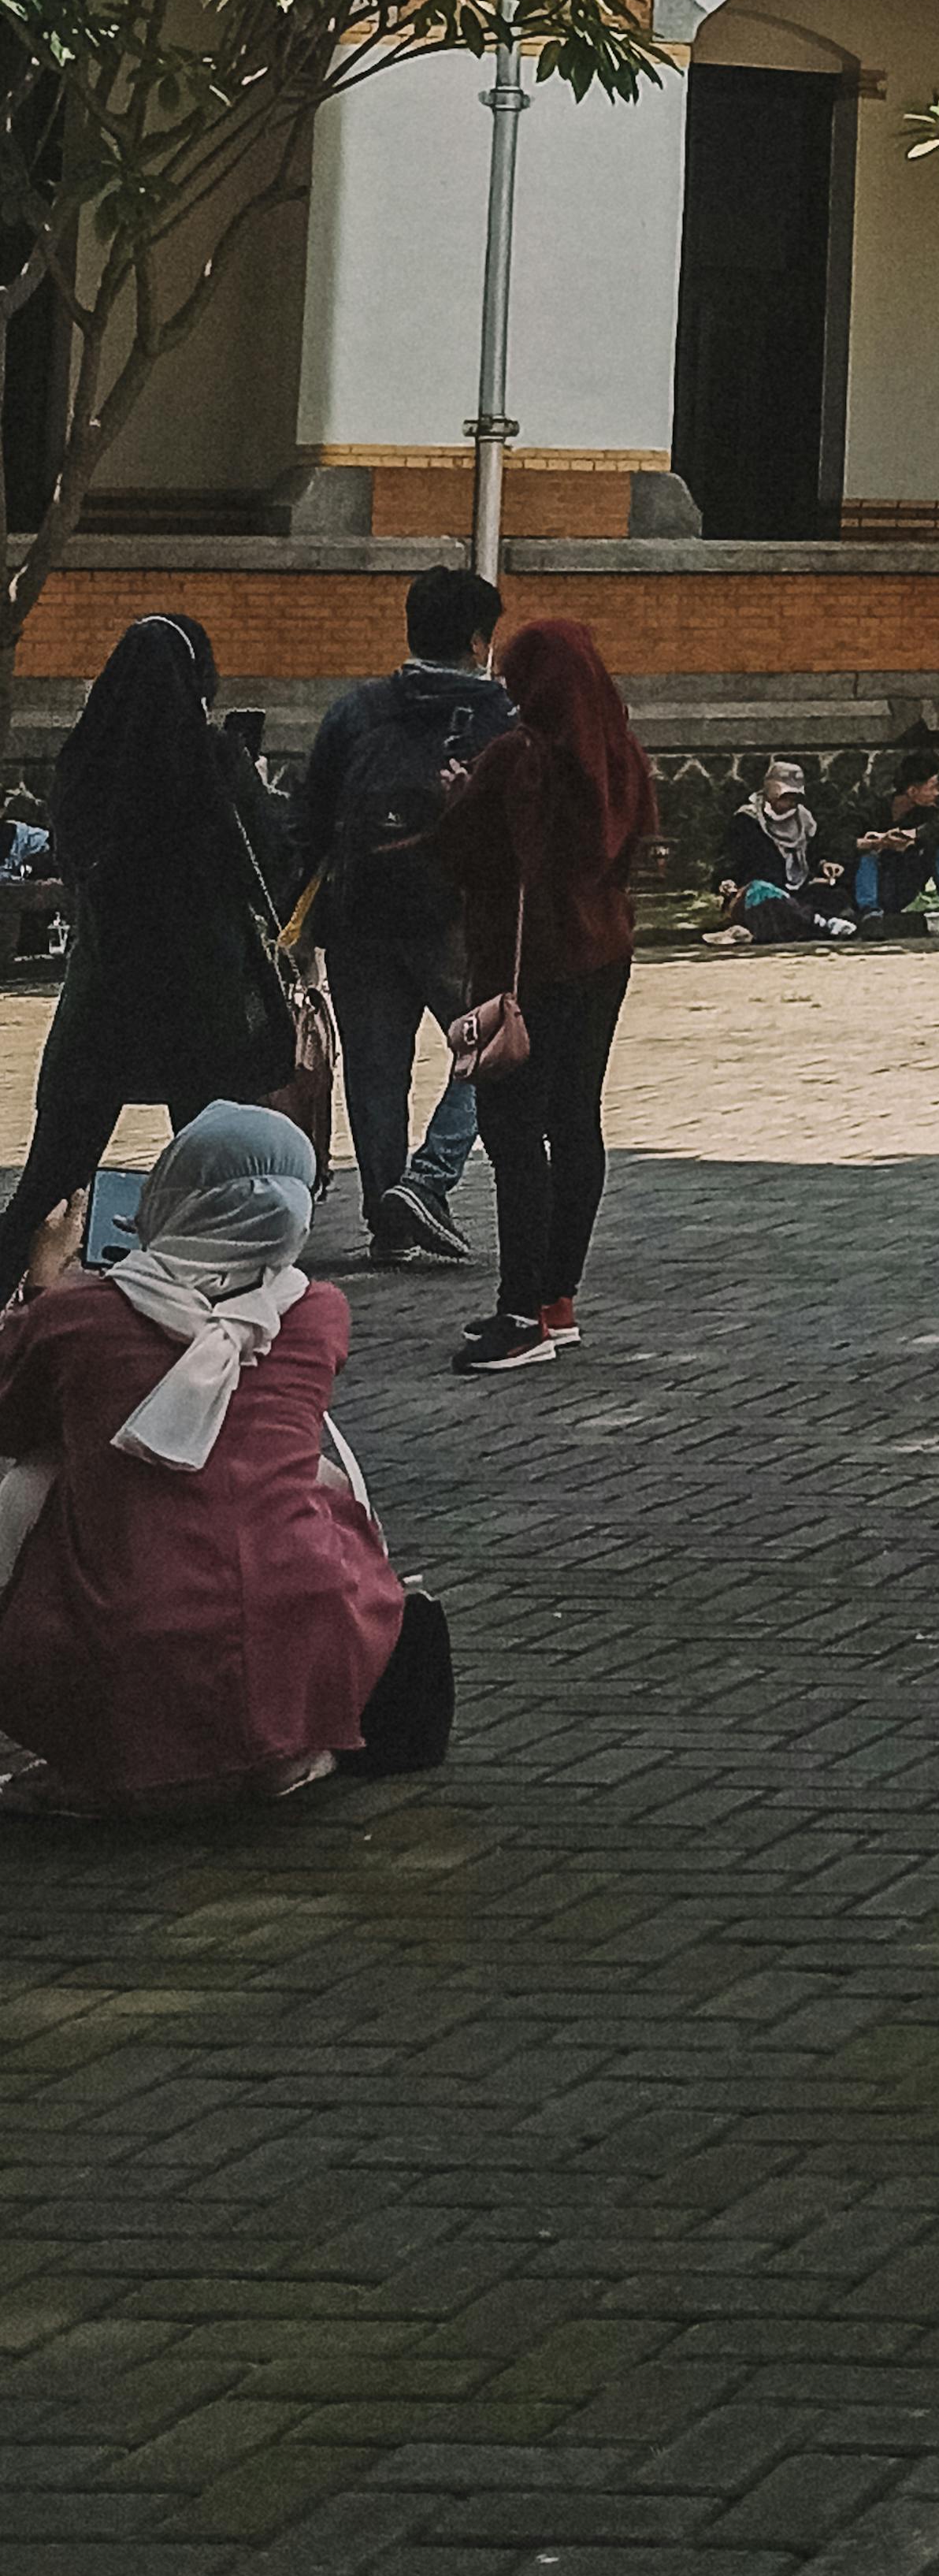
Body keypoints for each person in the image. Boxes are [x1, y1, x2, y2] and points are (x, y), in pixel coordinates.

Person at [0, 1104, 451, 1811]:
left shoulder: (78, 1318)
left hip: (117, 1638)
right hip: (303, 1618)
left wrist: (40, 1287)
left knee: (32, 1484)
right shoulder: (315, 1313)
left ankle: (101, 1766)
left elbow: (12, 1421)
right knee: (316, 1480)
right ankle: (282, 1748)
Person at [0, 618, 300, 1290]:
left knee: (54, 1176)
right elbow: (273, 868)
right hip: (205, 1001)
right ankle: (213, 1305)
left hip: (103, 1000)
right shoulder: (211, 763)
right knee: (219, 1175)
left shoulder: (84, 766)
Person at [430, 618, 662, 1377]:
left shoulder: (519, 758)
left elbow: (468, 856)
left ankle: (518, 1312)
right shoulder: (621, 754)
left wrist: (460, 797)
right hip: (604, 954)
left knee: (513, 1133)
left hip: (528, 970)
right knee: (576, 1120)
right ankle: (557, 1300)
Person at [291, 560, 511, 1268]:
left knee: (377, 1072)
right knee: (497, 1050)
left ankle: (389, 1220)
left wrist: (299, 922)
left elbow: (309, 819)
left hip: (360, 914)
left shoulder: (356, 711)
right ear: (479, 640)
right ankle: (429, 1180)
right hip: (459, 918)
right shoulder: (501, 717)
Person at [846, 730, 939, 936]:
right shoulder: (872, 810)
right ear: (913, 791)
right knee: (868, 856)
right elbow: (842, 841)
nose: (937, 793)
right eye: (932, 787)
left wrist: (910, 837)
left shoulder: (927, 814)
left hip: (903, 882)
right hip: (877, 883)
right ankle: (870, 914)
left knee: (937, 848)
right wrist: (877, 843)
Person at [717, 756, 836, 948]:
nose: (789, 803)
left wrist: (824, 865)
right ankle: (819, 923)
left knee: (834, 897)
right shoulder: (747, 820)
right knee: (766, 896)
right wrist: (728, 882)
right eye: (785, 797)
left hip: (798, 890)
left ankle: (812, 922)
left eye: (793, 798)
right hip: (761, 894)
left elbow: (813, 854)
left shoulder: (804, 819)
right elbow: (730, 859)